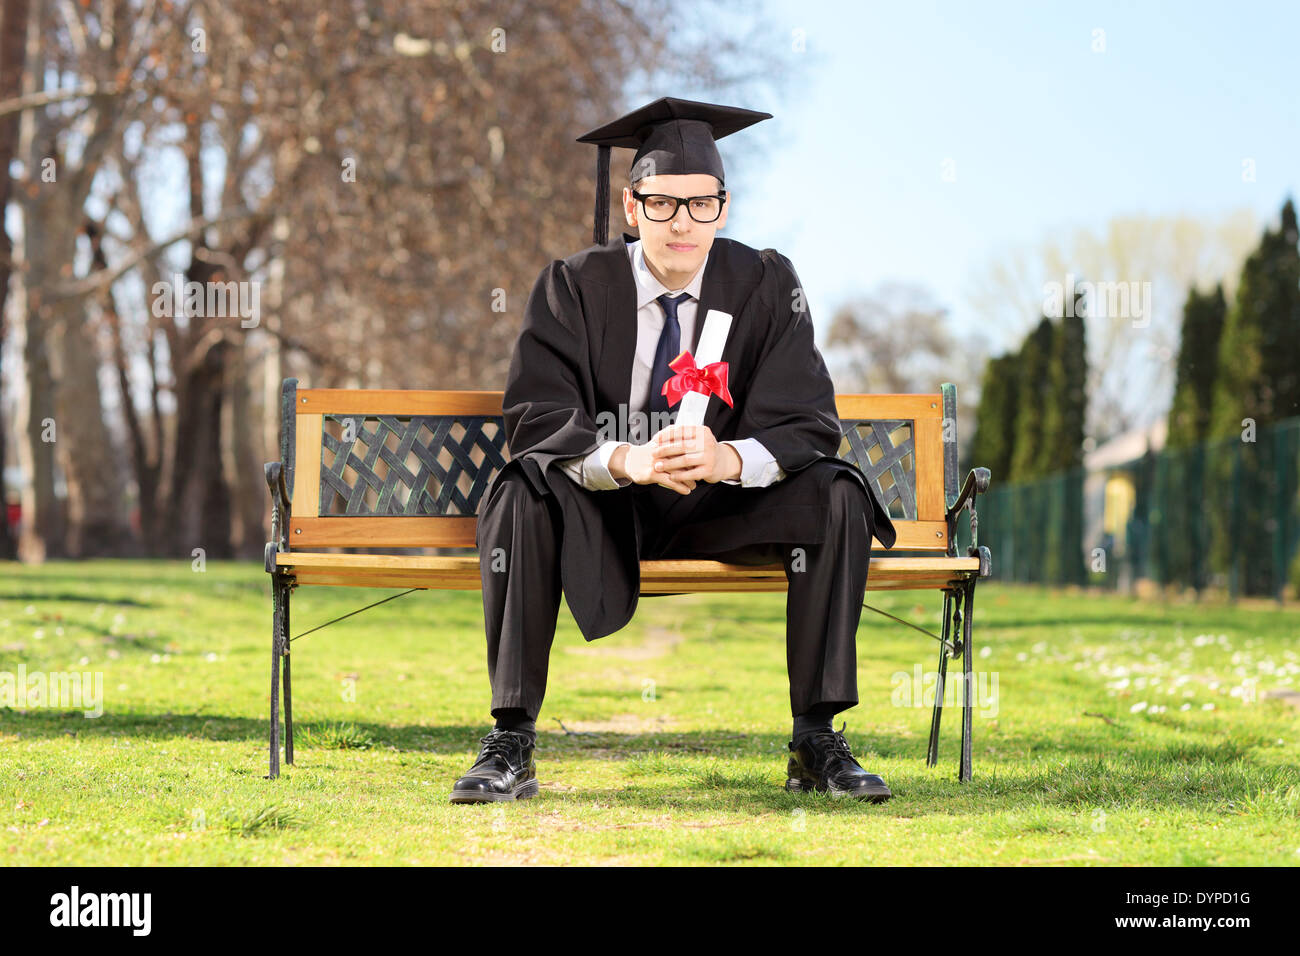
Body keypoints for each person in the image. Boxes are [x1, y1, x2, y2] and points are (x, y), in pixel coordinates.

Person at [450, 97, 898, 805]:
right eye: (662, 204)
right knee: (518, 489)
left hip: (718, 507)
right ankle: (511, 739)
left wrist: (727, 458)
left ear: (724, 208)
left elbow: (808, 419)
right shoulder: (572, 287)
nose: (682, 223)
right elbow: (537, 415)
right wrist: (628, 460)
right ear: (632, 207)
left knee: (839, 490)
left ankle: (816, 737)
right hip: (606, 505)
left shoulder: (765, 283)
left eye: (700, 205)